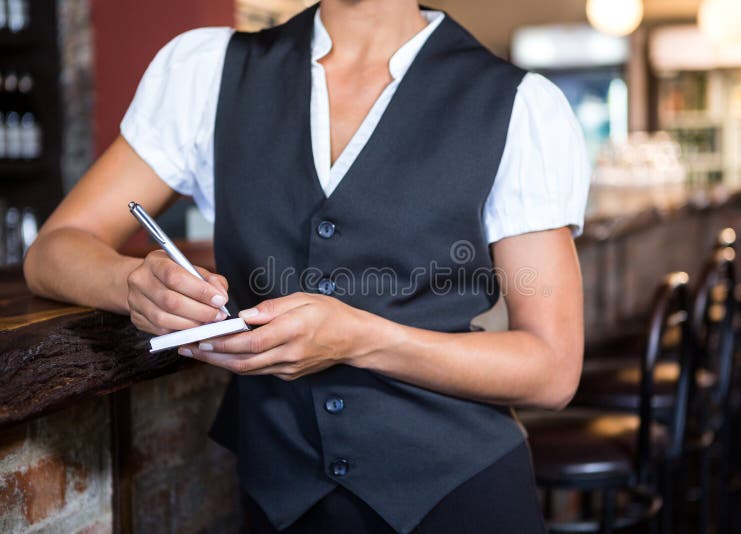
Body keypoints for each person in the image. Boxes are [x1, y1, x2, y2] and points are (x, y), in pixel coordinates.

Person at [23, 1, 590, 532]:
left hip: (460, 499)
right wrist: (133, 285)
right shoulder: (210, 74)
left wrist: (362, 340)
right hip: (281, 504)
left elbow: (552, 367)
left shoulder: (514, 103)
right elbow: (55, 247)